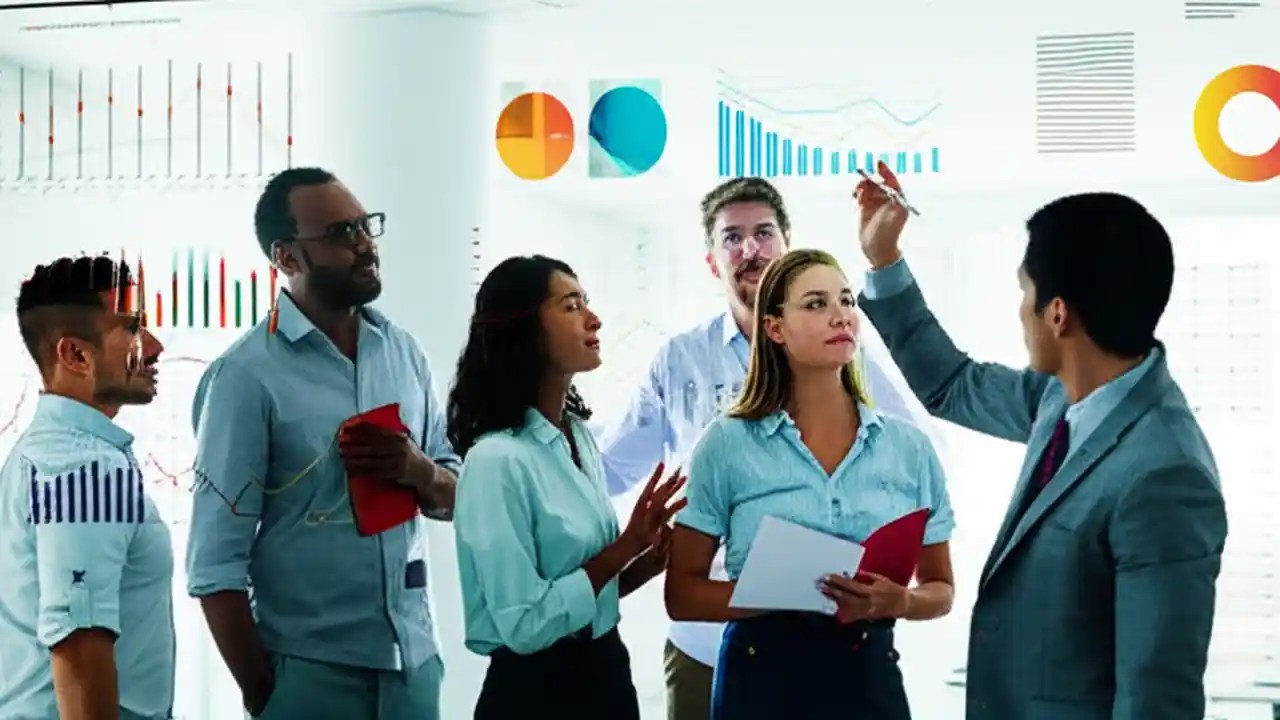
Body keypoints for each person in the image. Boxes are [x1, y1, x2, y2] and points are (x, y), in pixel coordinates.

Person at [854, 161, 1228, 720]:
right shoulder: (1060, 397)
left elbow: (1156, 698)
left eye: (1024, 291)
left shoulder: (1166, 476)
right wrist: (884, 260)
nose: (1020, 309)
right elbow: (951, 384)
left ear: (1057, 314)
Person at [597, 176, 937, 719]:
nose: (750, 249)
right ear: (712, 262)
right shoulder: (681, 361)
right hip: (705, 643)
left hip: (831, 641)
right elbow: (610, 467)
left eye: (763, 233)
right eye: (732, 238)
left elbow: (911, 458)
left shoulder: (847, 356)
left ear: (786, 247)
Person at [186, 167, 460, 720]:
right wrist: (263, 692)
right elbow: (213, 564)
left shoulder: (403, 352)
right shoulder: (245, 377)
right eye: (341, 233)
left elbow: (456, 496)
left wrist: (420, 471)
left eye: (365, 225)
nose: (364, 245)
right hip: (308, 675)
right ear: (287, 257)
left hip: (414, 666)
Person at [664, 247, 955, 719]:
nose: (841, 315)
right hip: (761, 682)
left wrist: (901, 600)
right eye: (816, 303)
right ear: (775, 328)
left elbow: (940, 588)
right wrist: (782, 592)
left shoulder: (909, 448)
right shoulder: (726, 443)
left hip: (870, 680)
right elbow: (682, 595)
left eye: (846, 301)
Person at [448, 255, 688, 720]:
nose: (593, 319)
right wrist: (625, 546)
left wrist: (647, 560)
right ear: (523, 328)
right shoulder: (496, 460)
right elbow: (526, 626)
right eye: (572, 305)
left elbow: (583, 602)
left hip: (606, 675)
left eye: (586, 303)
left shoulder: (576, 435)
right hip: (536, 696)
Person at [0, 255, 172, 720]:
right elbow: (79, 652)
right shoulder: (84, 467)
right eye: (132, 329)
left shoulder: (42, 454)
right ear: (75, 354)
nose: (155, 347)